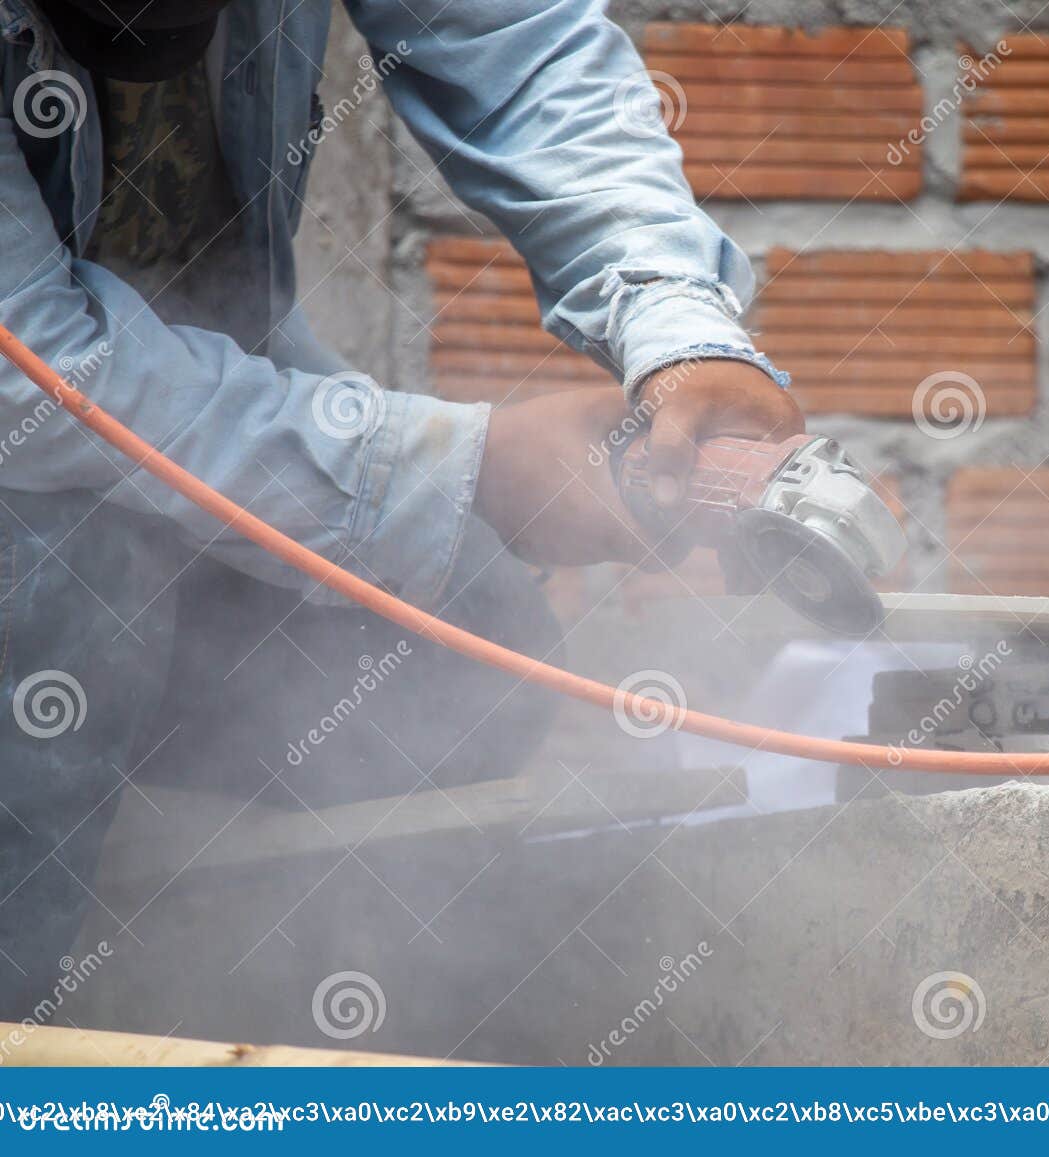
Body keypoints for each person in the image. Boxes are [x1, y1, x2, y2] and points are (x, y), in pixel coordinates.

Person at [0, 0, 802, 1018]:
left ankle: (239, 989)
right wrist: (471, 469)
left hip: (172, 404)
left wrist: (680, 332)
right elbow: (33, 380)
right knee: (69, 589)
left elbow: (518, 46)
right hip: (31, 476)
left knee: (476, 642)